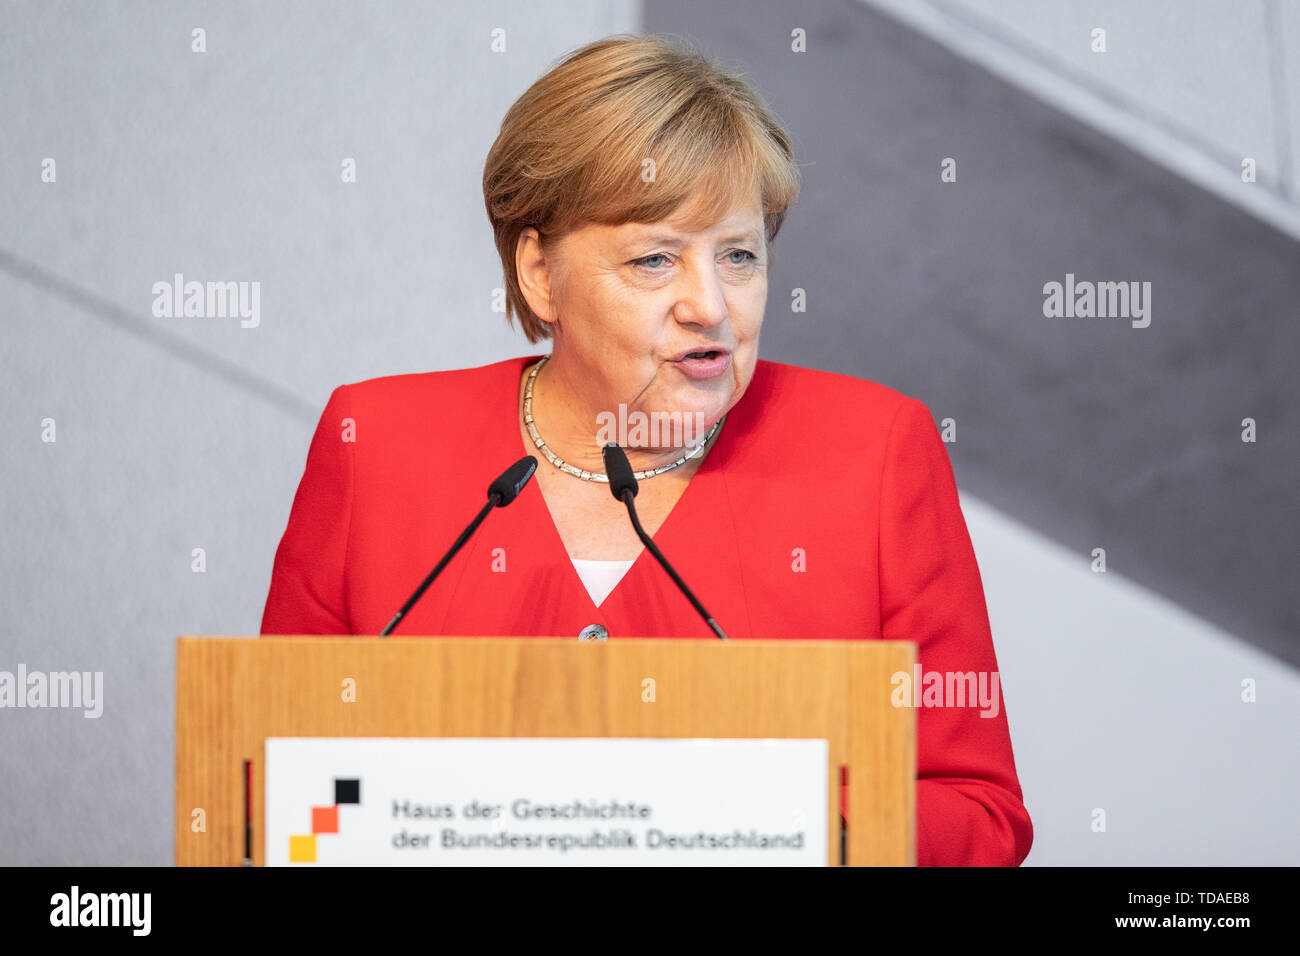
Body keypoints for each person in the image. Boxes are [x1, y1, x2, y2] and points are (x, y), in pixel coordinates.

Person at [261, 33, 1032, 866]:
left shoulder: (876, 451)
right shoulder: (374, 443)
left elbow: (978, 814)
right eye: (655, 259)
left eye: (739, 255)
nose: (711, 306)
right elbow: (271, 788)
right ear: (539, 275)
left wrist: (786, 827)